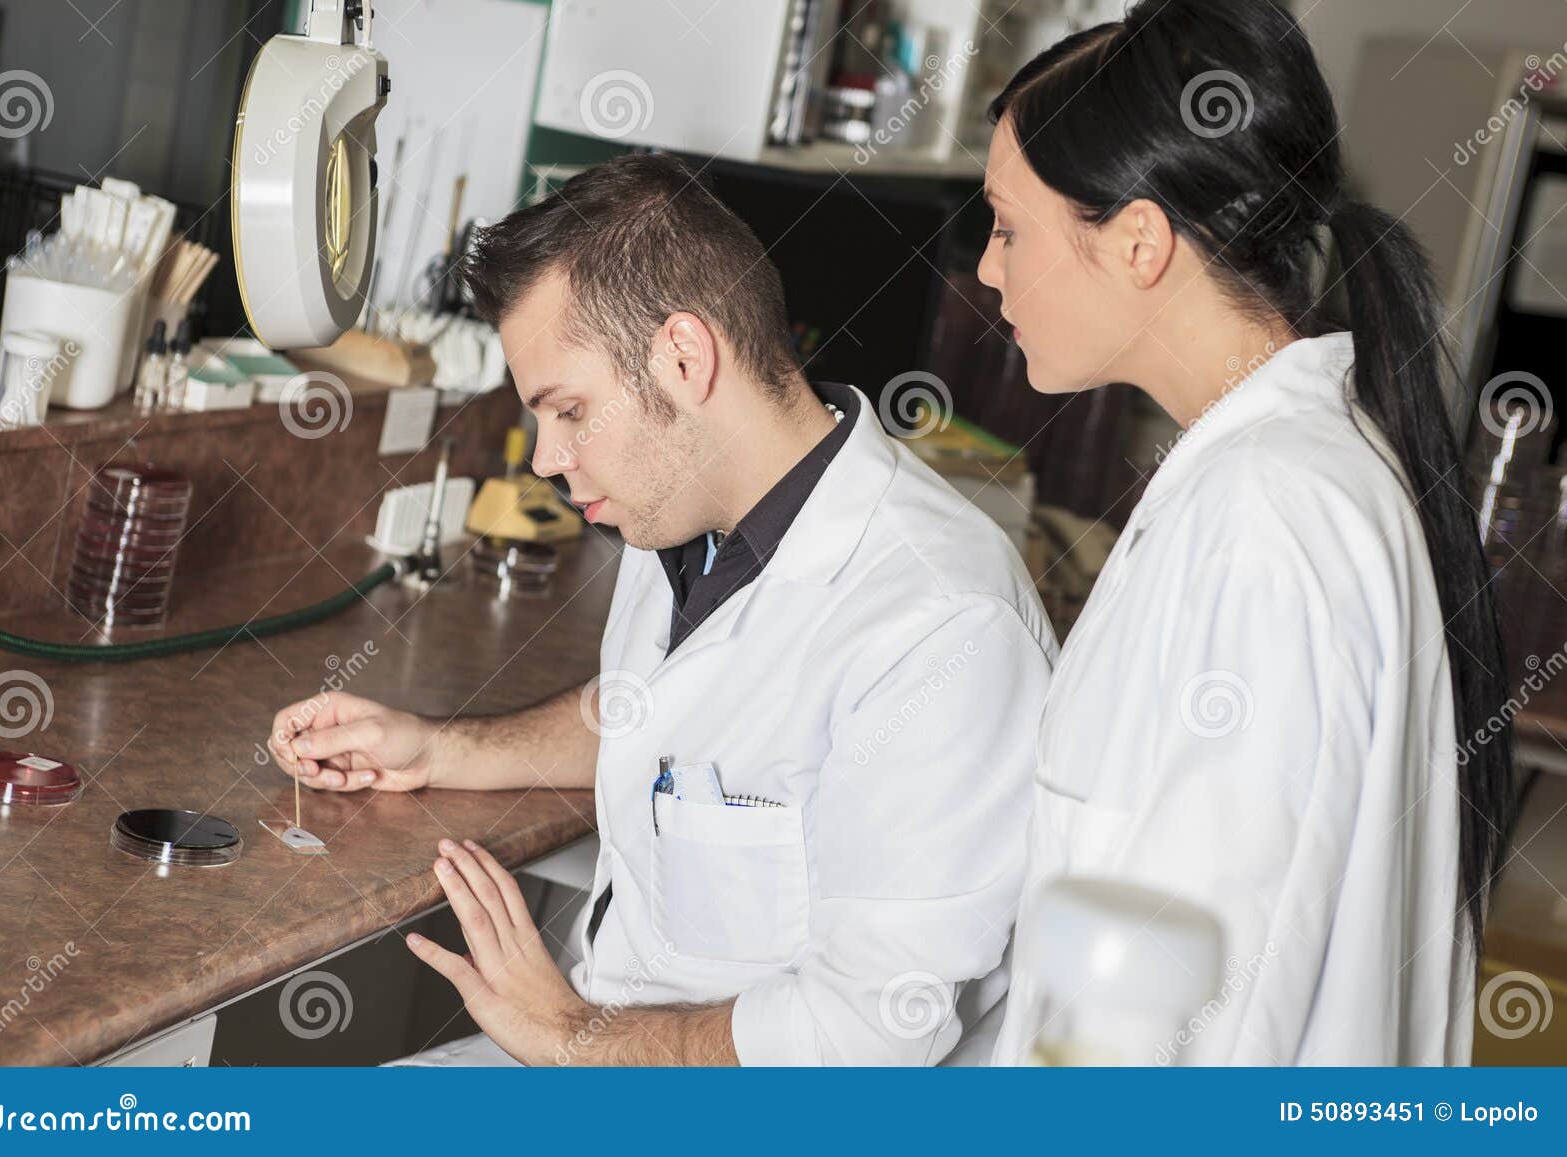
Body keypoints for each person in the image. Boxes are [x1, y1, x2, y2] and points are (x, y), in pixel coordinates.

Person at [268, 153, 1058, 1066]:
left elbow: (870, 1038)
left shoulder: (940, 626)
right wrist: (440, 749)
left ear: (684, 356)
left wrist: (570, 1035)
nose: (546, 460)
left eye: (568, 410)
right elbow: (662, 723)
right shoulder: (685, 510)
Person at [977, 0, 1514, 1064]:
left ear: (1136, 241)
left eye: (1005, 227)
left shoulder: (1263, 524)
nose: (989, 270)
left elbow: (1194, 1006)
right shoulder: (1266, 475)